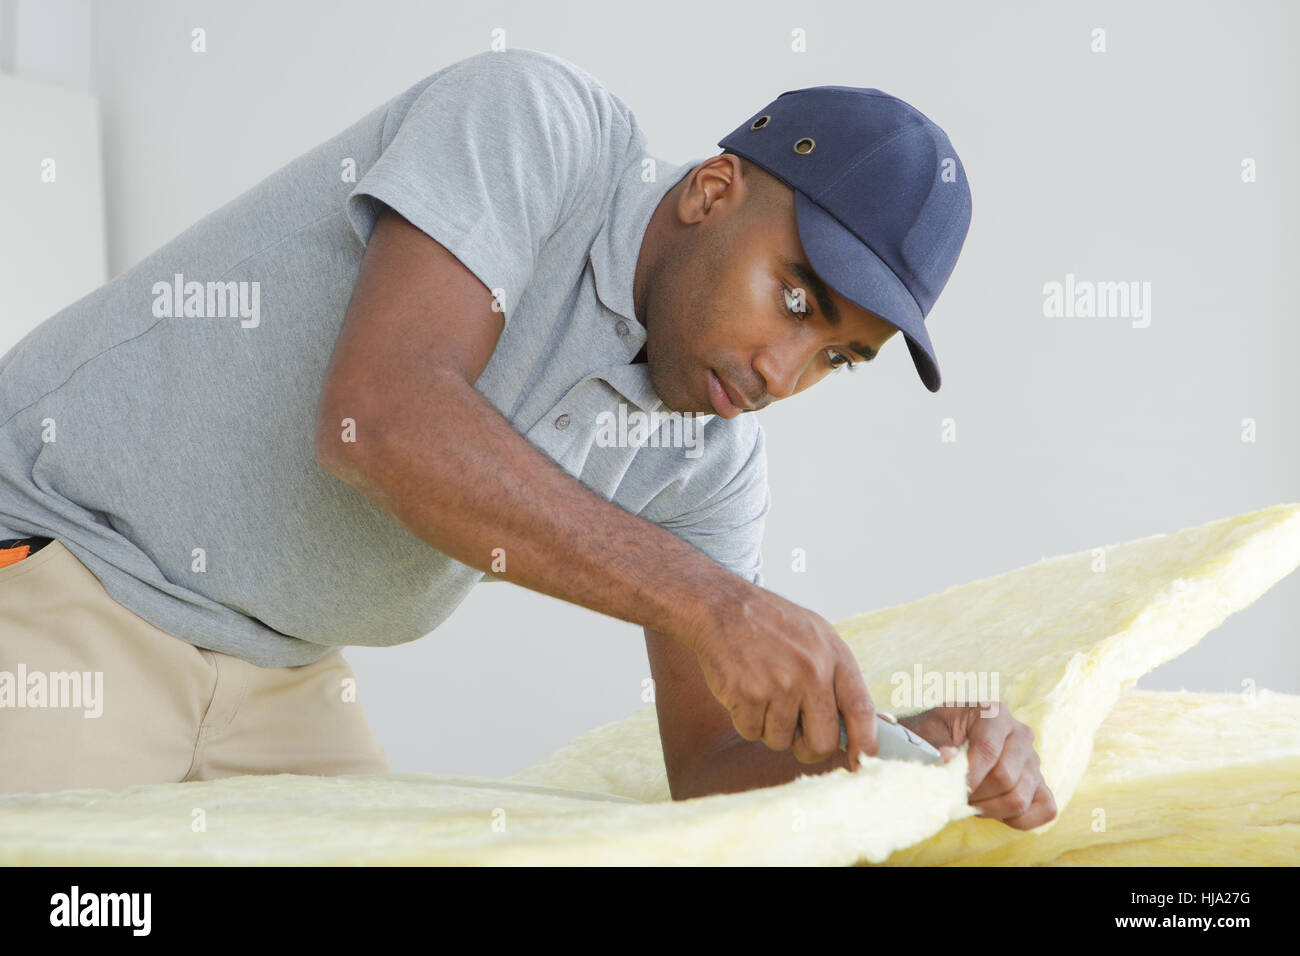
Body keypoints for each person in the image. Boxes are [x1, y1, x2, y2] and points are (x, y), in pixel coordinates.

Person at [0, 47, 1054, 829]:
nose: (785, 372)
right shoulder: (536, 128)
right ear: (711, 190)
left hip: (280, 670)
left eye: (836, 357)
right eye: (794, 296)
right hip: (69, 560)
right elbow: (379, 419)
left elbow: (711, 761)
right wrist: (710, 599)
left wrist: (905, 749)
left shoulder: (709, 454)